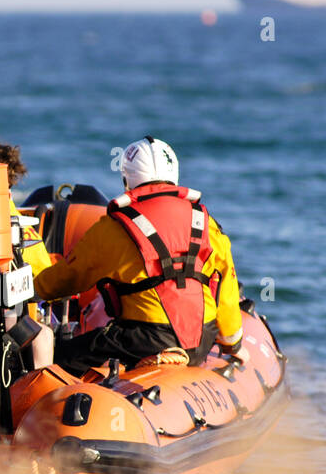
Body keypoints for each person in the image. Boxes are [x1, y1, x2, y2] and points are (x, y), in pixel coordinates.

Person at [32, 136, 245, 375]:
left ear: (127, 179)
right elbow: (227, 287)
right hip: (202, 341)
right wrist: (232, 344)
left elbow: (69, 278)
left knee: (62, 354)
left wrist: (31, 289)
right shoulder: (206, 222)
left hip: (143, 340)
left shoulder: (113, 227)